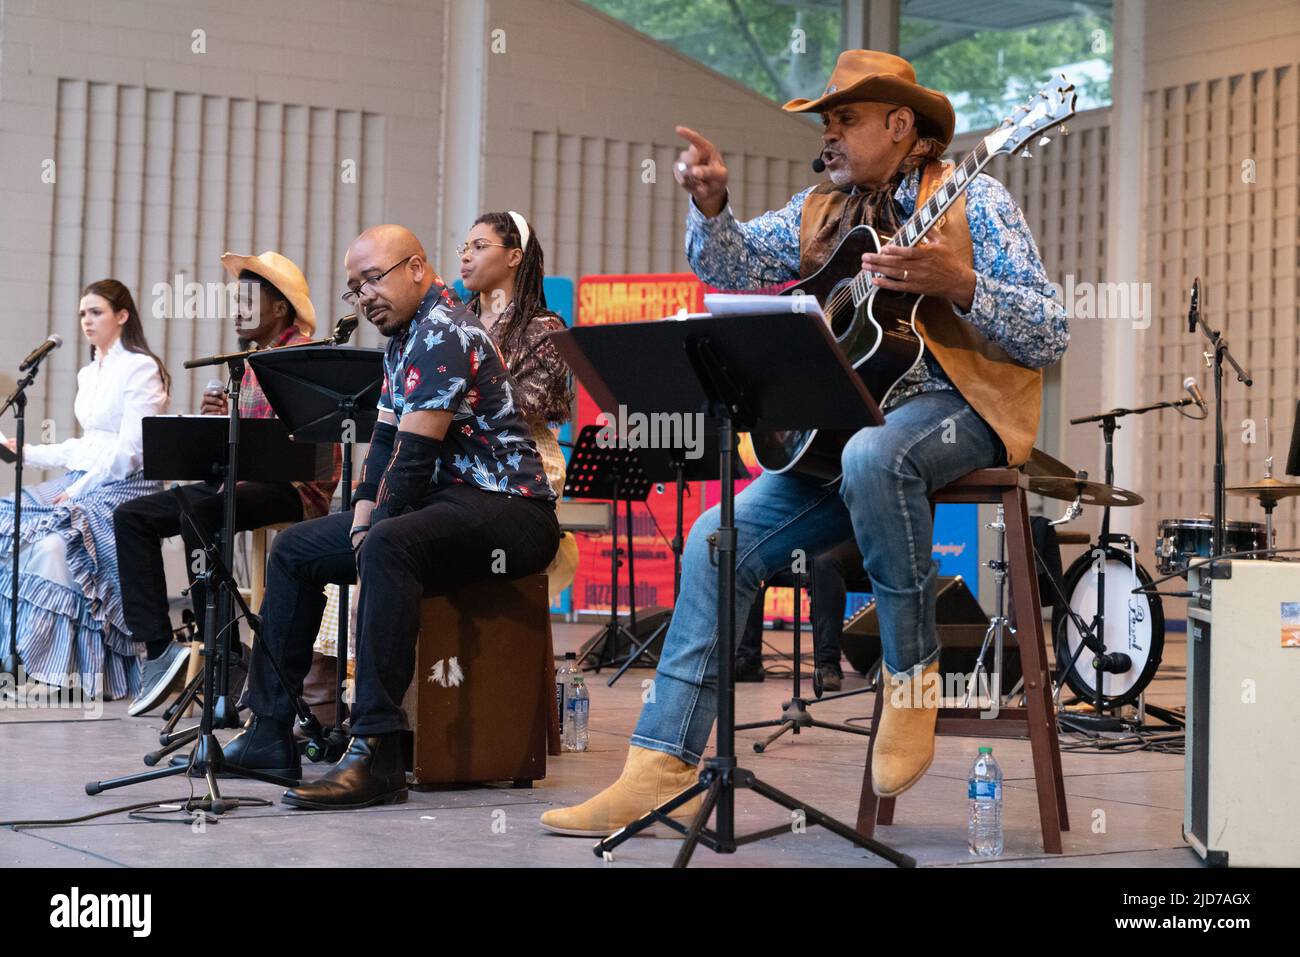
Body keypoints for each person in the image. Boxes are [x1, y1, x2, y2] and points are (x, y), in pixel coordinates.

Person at [541, 50, 1068, 837]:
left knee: (873, 456)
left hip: (957, 405)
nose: (830, 133)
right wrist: (713, 205)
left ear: (900, 124)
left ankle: (914, 676)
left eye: (845, 118)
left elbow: (1050, 330)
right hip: (843, 423)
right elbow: (733, 263)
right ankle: (658, 765)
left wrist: (959, 283)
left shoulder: (976, 198)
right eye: (826, 119)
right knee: (715, 536)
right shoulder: (821, 208)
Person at [215, 224, 559, 808]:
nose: (365, 295)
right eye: (354, 288)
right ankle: (270, 731)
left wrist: (368, 529)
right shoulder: (403, 339)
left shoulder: (445, 332)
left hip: (511, 510)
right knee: (297, 551)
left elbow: (415, 457)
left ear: (418, 268)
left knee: (388, 543)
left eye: (373, 278)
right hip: (447, 502)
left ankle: (376, 750)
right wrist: (358, 516)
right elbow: (385, 446)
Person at [113, 251, 340, 717]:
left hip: (294, 488)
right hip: (238, 483)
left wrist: (236, 429)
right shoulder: (245, 362)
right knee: (132, 515)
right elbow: (234, 454)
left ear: (281, 309)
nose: (237, 308)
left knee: (199, 513)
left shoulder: (304, 358)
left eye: (249, 300)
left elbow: (305, 444)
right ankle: (159, 650)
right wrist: (218, 425)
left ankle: (227, 659)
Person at [0, 280, 169, 699]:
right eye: (82, 313)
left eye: (96, 312)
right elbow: (87, 443)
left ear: (122, 316)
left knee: (56, 544)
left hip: (128, 485)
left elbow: (131, 450)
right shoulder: (88, 372)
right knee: (12, 521)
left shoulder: (141, 367)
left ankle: (61, 671)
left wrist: (80, 491)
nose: (87, 321)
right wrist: (27, 453)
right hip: (87, 478)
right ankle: (20, 659)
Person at [459, 209, 575, 591]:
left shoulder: (545, 329)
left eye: (479, 246)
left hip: (523, 456)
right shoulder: (454, 322)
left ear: (514, 256)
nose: (465, 255)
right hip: (457, 448)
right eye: (465, 247)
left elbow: (520, 408)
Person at [735, 538, 862, 691]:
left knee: (824, 560)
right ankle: (748, 661)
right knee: (751, 560)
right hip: (795, 540)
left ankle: (827, 664)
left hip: (839, 539)